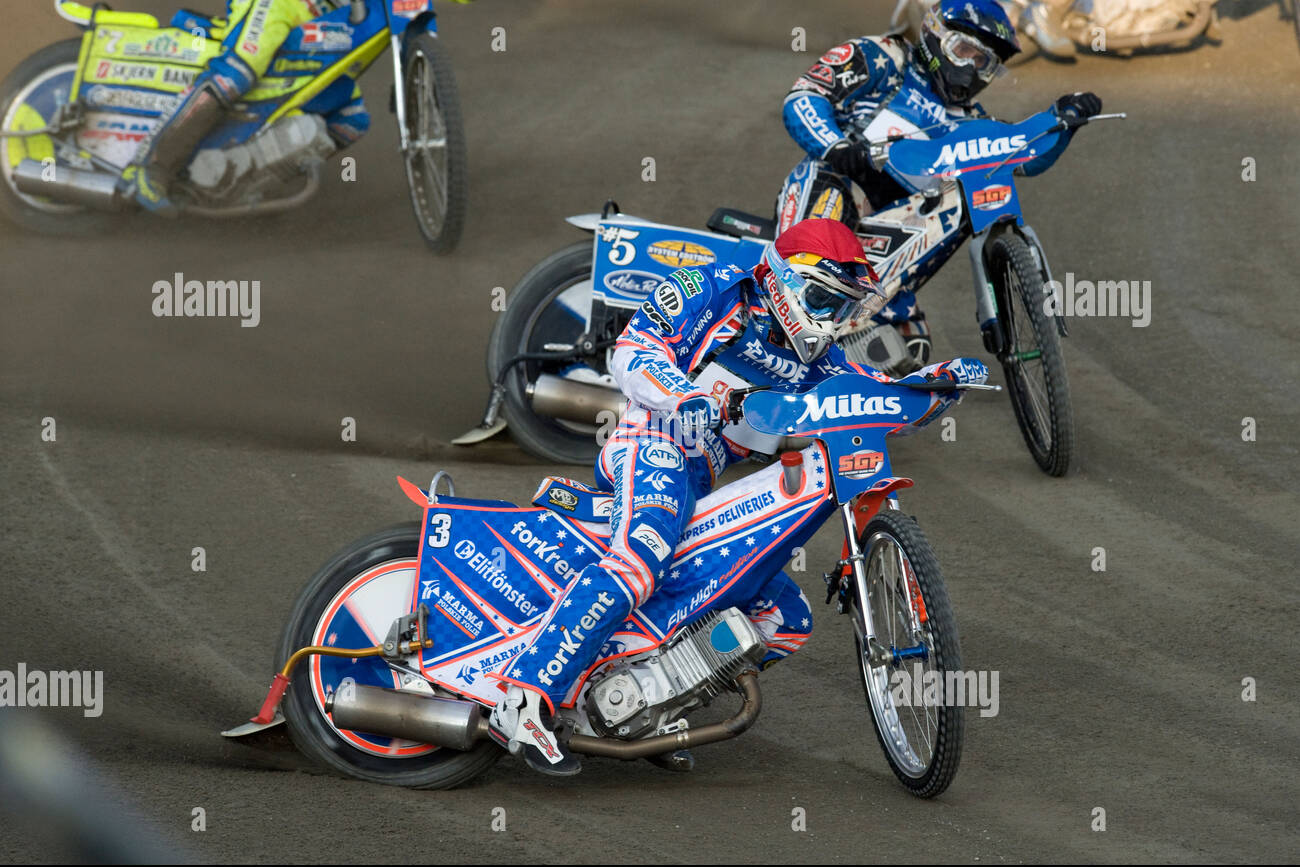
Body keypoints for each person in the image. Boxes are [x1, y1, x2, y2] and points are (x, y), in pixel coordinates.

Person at [486, 218, 988, 776]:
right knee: (642, 556)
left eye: (845, 309)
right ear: (786, 283)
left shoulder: (816, 360)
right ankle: (523, 697)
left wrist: (937, 382)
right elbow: (630, 352)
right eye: (826, 300)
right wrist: (683, 396)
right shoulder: (714, 287)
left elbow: (870, 395)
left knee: (785, 617)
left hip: (701, 479)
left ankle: (645, 709)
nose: (833, 321)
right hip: (653, 443)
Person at [776, 0, 1101, 367]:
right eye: (963, 52)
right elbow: (804, 96)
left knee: (909, 352)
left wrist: (1062, 123)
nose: (969, 69)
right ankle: (783, 306)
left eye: (983, 63)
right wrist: (836, 147)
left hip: (894, 231)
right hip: (838, 181)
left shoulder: (971, 124)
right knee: (821, 238)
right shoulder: (881, 56)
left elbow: (1021, 160)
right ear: (934, 35)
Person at [119, 1, 369, 214]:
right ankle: (151, 166)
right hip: (279, 4)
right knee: (237, 72)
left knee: (352, 119)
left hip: (332, 14)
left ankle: (244, 182)